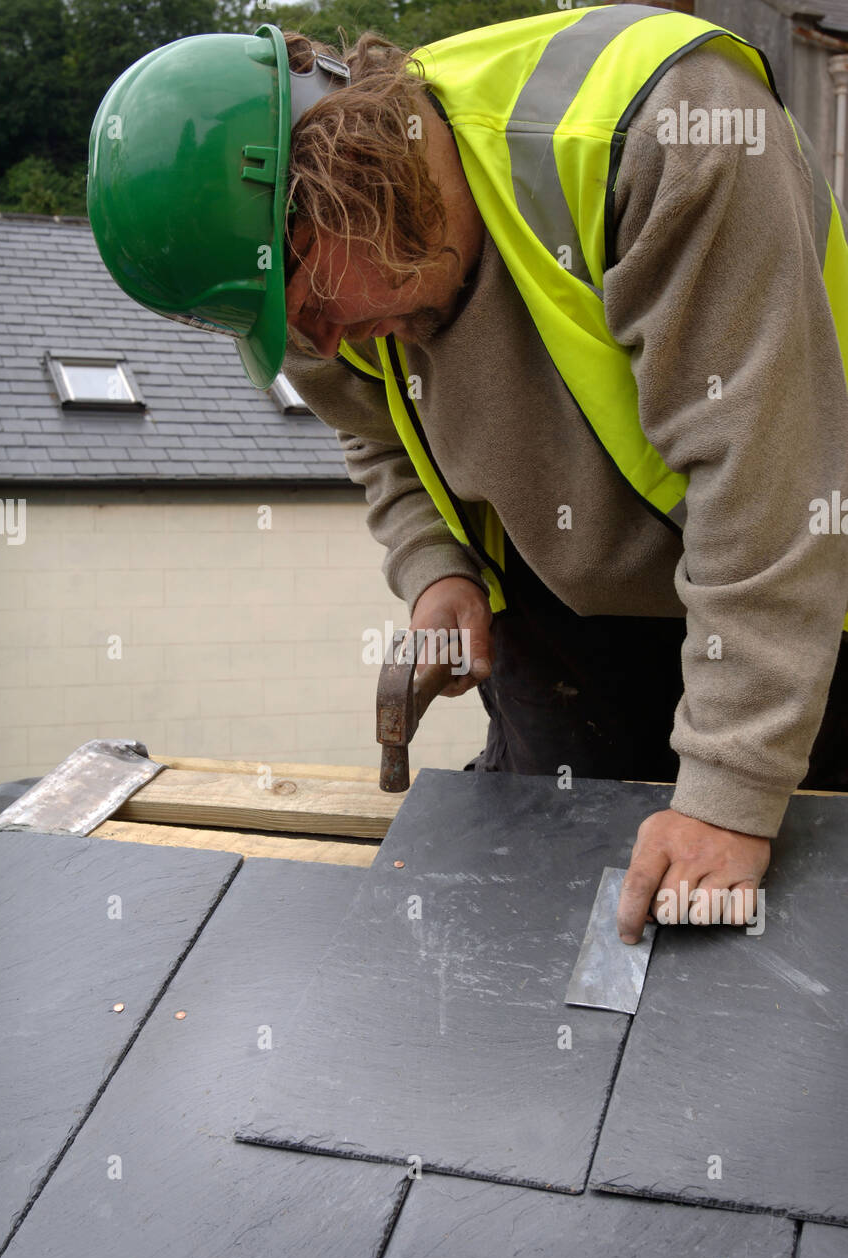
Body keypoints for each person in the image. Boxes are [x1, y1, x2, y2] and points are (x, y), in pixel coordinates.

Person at [88, 5, 848, 941]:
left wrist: (730, 788)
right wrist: (436, 567)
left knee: (787, 966)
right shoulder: (329, 294)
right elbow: (371, 433)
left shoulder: (653, 132)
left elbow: (765, 488)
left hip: (794, 614)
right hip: (566, 624)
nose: (312, 347)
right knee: (545, 937)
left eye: (309, 306)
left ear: (348, 181)